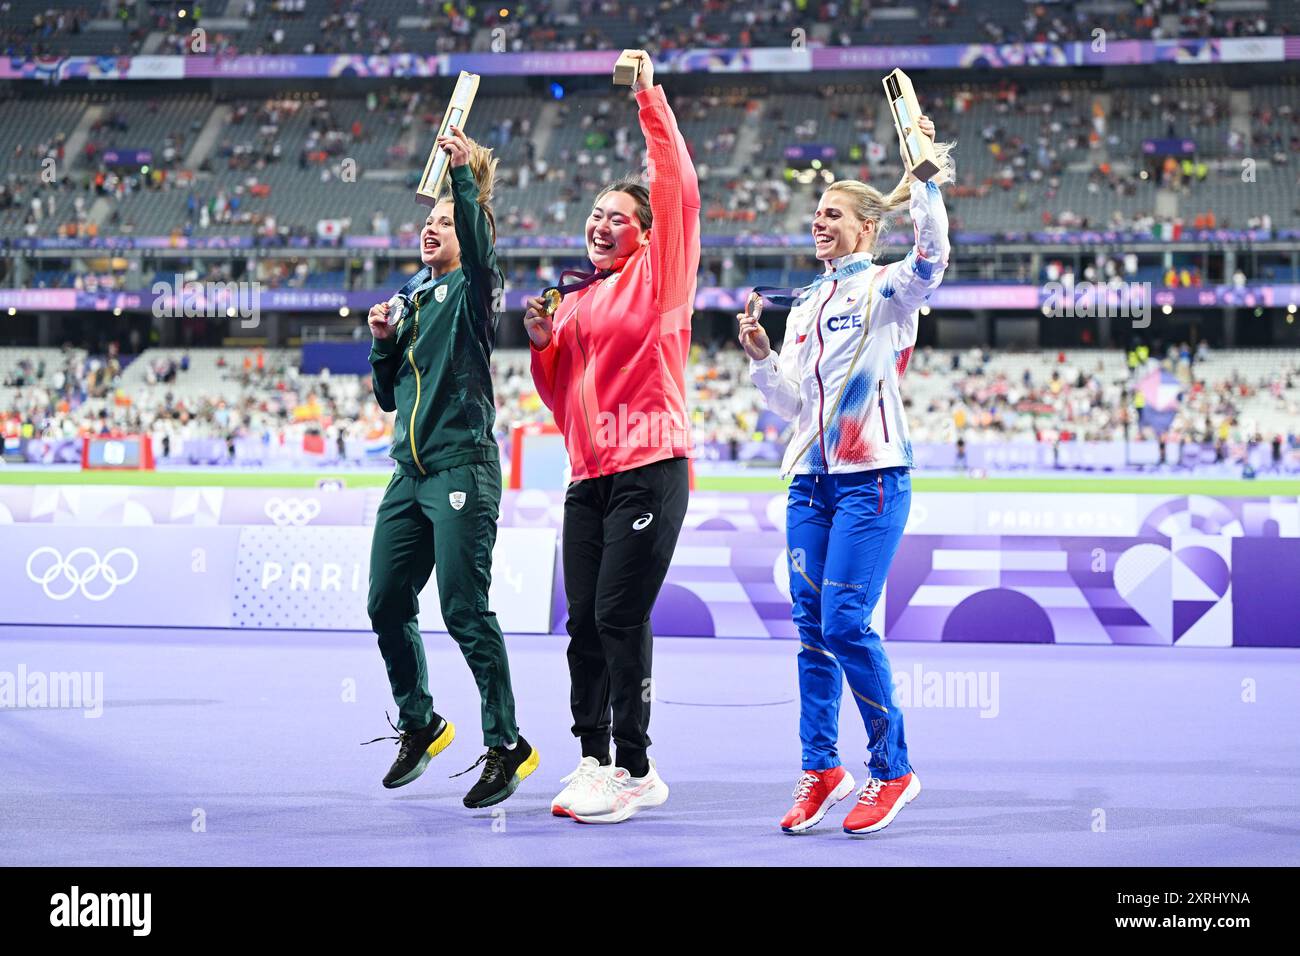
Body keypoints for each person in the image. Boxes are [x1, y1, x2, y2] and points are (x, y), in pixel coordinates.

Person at [738, 113, 953, 836]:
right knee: (810, 628)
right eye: (816, 213)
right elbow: (794, 404)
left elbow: (934, 255)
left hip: (873, 478)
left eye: (832, 213)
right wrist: (764, 358)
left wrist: (922, 179)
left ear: (866, 228)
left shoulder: (891, 289)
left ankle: (893, 770)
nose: (817, 221)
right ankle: (821, 767)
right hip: (811, 482)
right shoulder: (802, 306)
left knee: (846, 623)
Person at [523, 50, 700, 824]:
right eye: (594, 215)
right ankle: (592, 756)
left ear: (646, 234)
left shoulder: (659, 277)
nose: (601, 224)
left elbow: (680, 192)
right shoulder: (573, 299)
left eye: (617, 216)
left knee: (620, 615)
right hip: (588, 478)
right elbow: (563, 402)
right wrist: (542, 344)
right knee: (584, 622)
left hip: (650, 465)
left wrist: (649, 98)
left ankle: (636, 766)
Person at [364, 125, 538, 809]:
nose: (430, 229)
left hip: (462, 468)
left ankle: (506, 744)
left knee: (464, 610)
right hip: (408, 475)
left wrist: (463, 178)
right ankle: (422, 722)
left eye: (445, 222)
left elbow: (478, 234)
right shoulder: (410, 300)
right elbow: (387, 398)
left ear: (467, 233)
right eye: (427, 221)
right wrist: (382, 344)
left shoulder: (474, 290)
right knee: (385, 602)